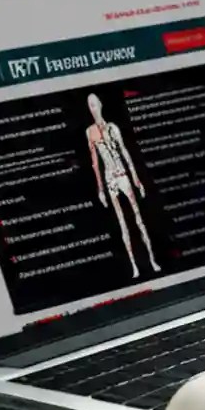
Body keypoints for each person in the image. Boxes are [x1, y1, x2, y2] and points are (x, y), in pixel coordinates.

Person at [85, 93, 161, 278]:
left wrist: (136, 180)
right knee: (122, 224)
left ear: (101, 105)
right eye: (90, 105)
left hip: (122, 174)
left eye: (95, 104)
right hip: (110, 178)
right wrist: (100, 189)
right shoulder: (90, 132)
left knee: (138, 219)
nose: (93, 108)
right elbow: (95, 162)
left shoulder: (112, 127)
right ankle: (134, 266)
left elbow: (125, 153)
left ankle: (152, 260)